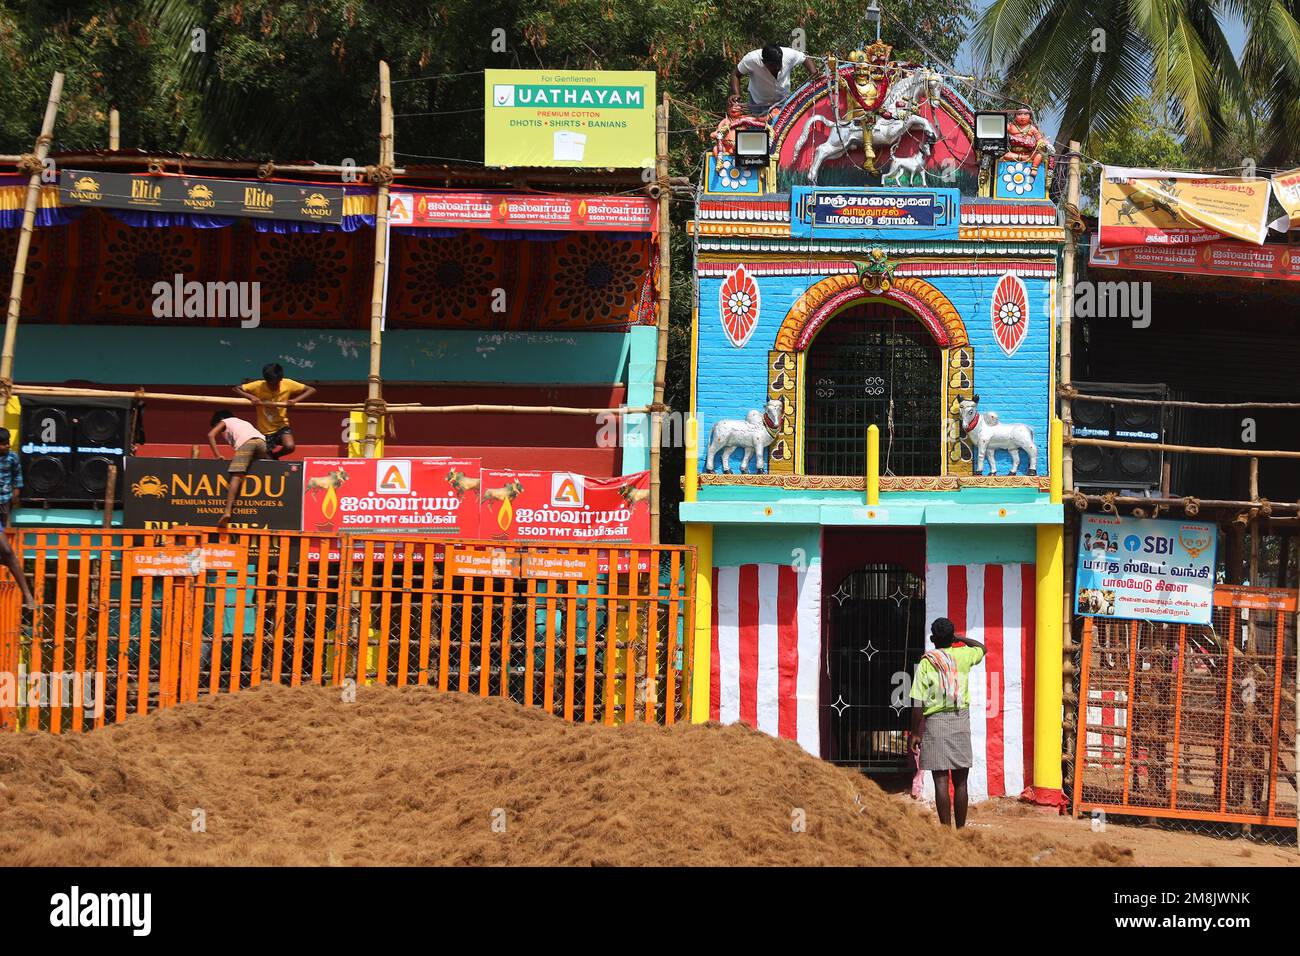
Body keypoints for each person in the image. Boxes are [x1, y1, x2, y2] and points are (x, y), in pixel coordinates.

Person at [908, 617, 985, 829]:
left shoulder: (926, 662)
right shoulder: (964, 654)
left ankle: (945, 834)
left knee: (940, 782)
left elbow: (917, 701)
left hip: (935, 724)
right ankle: (961, 832)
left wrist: (915, 732)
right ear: (952, 637)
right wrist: (959, 638)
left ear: (932, 639)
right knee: (961, 782)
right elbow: (982, 648)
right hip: (960, 721)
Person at [235, 363, 315, 460]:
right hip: (264, 430)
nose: (273, 387)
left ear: (280, 379)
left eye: (276, 384)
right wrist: (251, 397)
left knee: (290, 446)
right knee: (266, 458)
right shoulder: (258, 385)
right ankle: (270, 457)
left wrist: (295, 400)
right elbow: (237, 389)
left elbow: (311, 390)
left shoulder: (288, 384)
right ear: (266, 381)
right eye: (270, 384)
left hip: (281, 426)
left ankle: (275, 455)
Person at [207, 410, 270, 529]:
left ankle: (227, 511)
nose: (221, 432)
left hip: (247, 443)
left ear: (219, 421)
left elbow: (210, 435)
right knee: (261, 469)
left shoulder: (225, 421)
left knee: (237, 475)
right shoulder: (243, 422)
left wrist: (217, 455)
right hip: (262, 443)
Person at [0, 429, 36, 609]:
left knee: (6, 551)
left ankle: (27, 594)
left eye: (7, 443)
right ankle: (28, 594)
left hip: (4, 501)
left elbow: (17, 475)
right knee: (7, 551)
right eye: (3, 444)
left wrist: (16, 492)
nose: (6, 446)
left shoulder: (12, 457)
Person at [730, 43, 812, 115]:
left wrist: (815, 75)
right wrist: (736, 94)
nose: (777, 68)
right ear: (763, 61)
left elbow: (805, 58)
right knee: (760, 131)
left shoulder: (789, 55)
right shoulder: (751, 59)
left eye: (779, 64)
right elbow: (735, 74)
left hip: (783, 102)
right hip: (759, 104)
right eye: (772, 66)